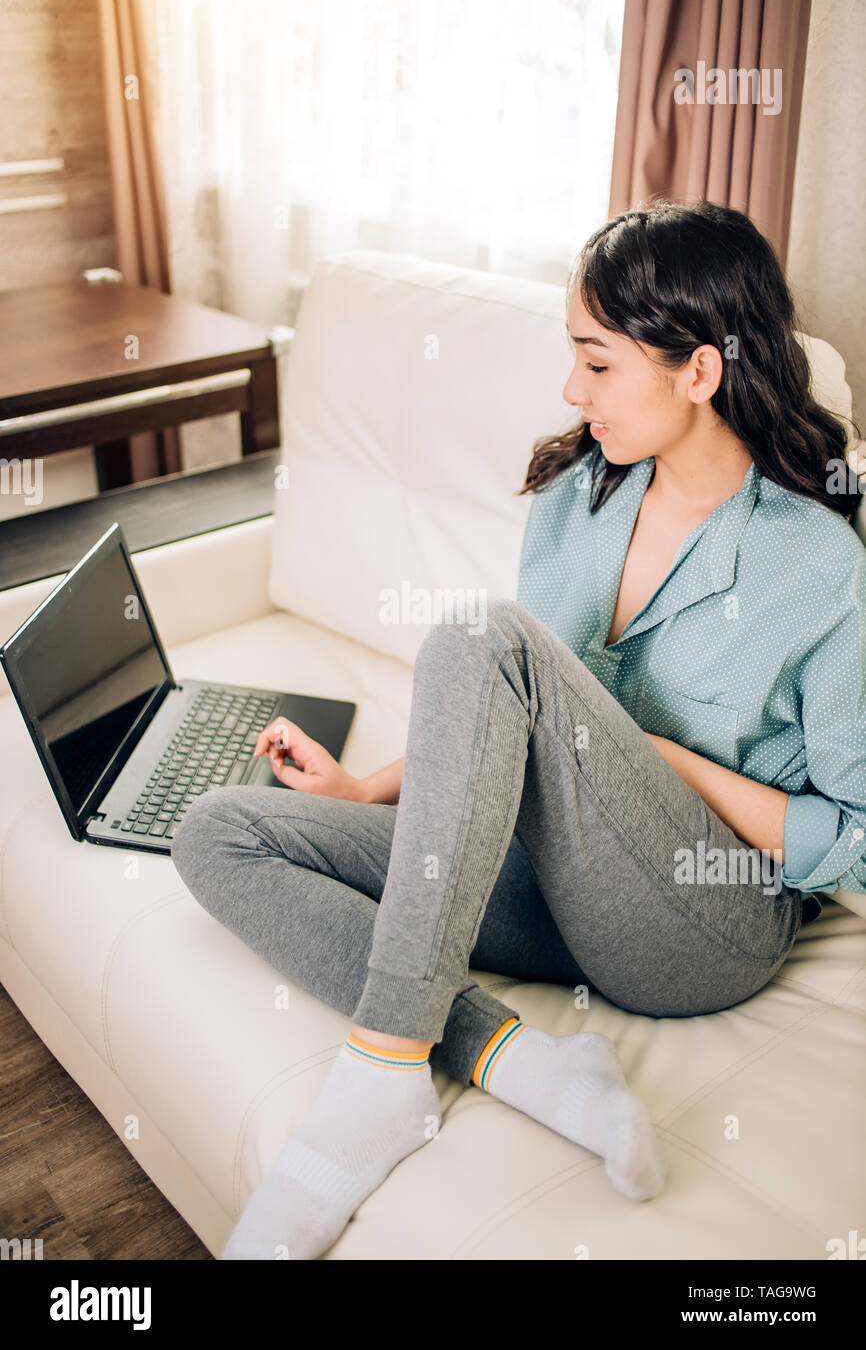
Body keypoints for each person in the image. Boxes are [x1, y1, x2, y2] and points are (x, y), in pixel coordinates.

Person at [171, 199, 866, 1261]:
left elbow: (852, 832)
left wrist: (666, 762)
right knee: (218, 830)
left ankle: (377, 1077)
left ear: (697, 371)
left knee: (481, 635)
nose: (568, 390)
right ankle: (523, 1063)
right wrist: (363, 795)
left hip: (699, 924)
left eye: (596, 363)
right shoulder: (577, 494)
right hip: (552, 873)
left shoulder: (816, 568)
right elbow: (515, 710)